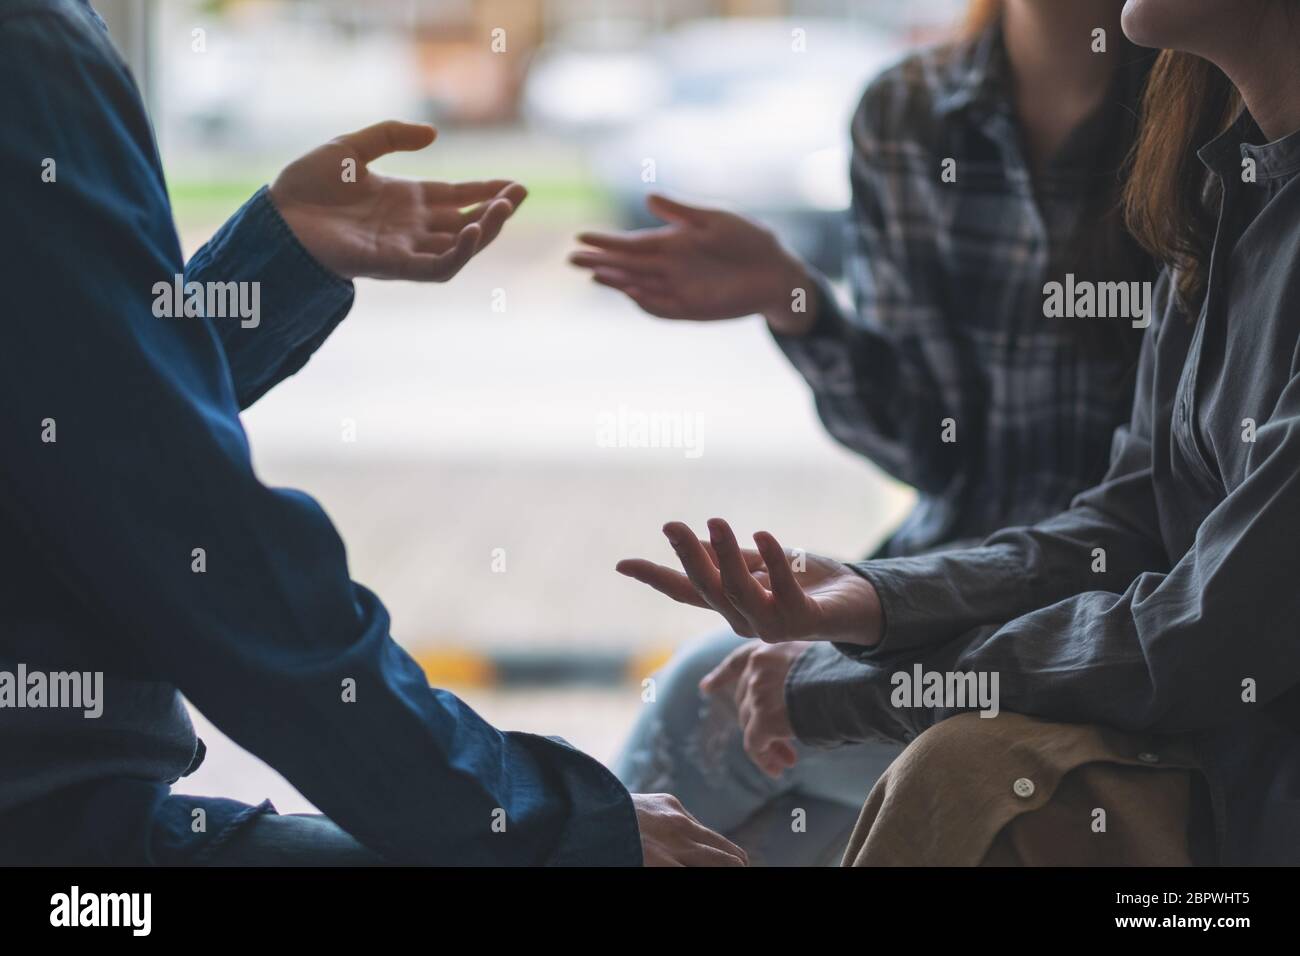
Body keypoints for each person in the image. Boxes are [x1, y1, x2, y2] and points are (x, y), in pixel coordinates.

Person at [0, 0, 746, 867]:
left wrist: (270, 266)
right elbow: (195, 537)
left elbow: (82, 420)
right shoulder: (29, 42)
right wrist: (540, 820)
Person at [618, 0, 1300, 867]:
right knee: (747, 776)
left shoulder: (1170, 118)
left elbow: (1205, 625)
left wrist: (858, 676)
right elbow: (1115, 517)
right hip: (1022, 606)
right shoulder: (1211, 184)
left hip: (1128, 672)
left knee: (734, 716)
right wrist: (876, 597)